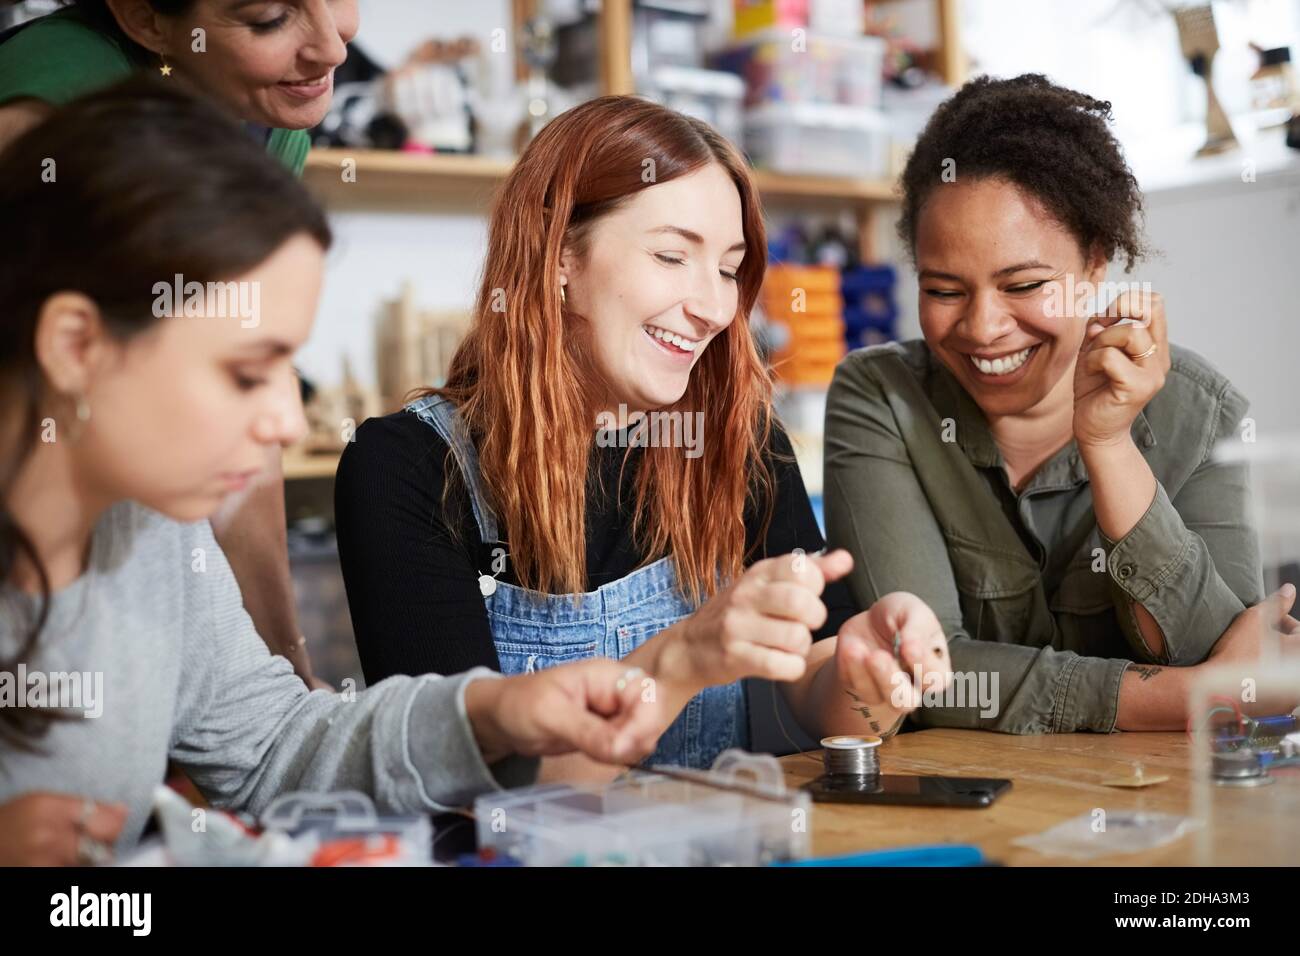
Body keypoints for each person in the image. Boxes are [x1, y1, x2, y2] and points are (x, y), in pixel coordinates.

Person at [0, 79, 667, 864]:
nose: (287, 421)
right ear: (76, 346)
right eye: (249, 372)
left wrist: (490, 712)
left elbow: (273, 744)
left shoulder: (149, 531)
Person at [336, 95, 954, 779]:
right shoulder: (407, 469)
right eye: (670, 255)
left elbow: (812, 705)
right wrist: (680, 659)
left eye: (727, 268)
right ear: (558, 256)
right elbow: (464, 784)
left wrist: (856, 671)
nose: (716, 307)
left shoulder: (739, 441)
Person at [824, 73, 1298, 734]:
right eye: (944, 290)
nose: (983, 327)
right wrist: (1190, 697)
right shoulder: (879, 398)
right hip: (971, 808)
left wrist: (1108, 446)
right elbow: (918, 675)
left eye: (1024, 284)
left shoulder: (1202, 412)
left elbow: (1215, 647)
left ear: (1095, 267)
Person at [0, 0, 361, 686]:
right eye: (266, 17)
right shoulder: (47, 112)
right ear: (144, 19)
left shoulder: (270, 112)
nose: (333, 49)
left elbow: (238, 407)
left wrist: (283, 663)